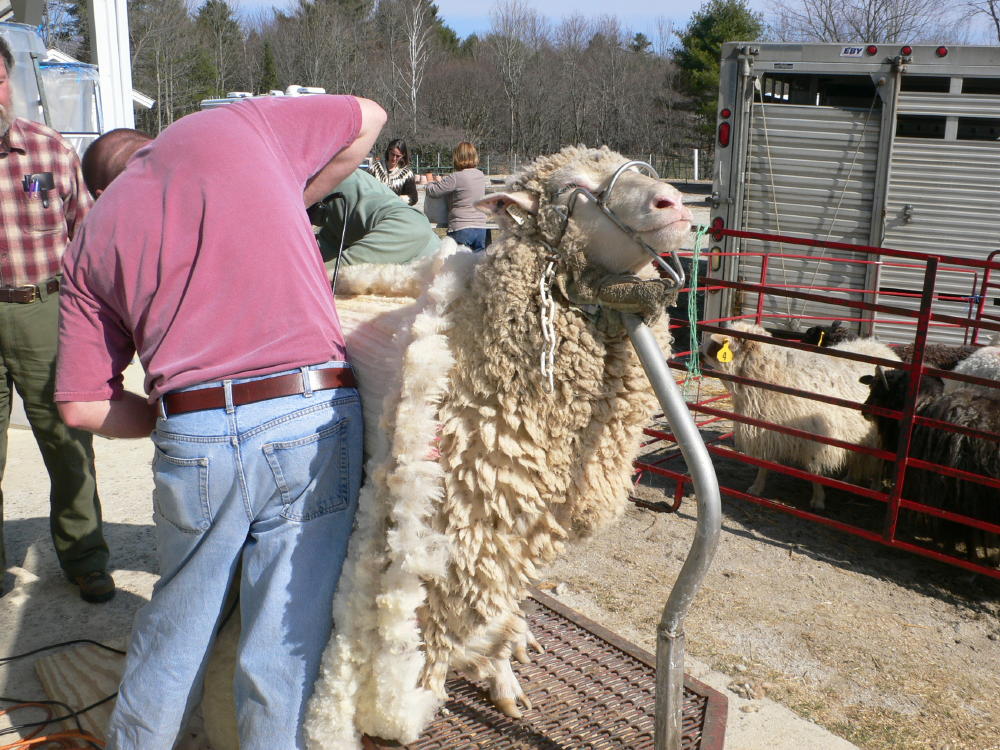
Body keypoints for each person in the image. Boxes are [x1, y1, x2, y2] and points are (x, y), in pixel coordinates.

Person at [54, 93, 386, 749]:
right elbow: (368, 118)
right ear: (150, 141)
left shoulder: (91, 237)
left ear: (96, 190)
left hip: (196, 428)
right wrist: (291, 192)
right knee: (285, 641)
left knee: (177, 623)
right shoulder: (233, 126)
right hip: (309, 412)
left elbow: (82, 406)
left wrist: (159, 415)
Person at [0, 36, 113, 603]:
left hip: (42, 309)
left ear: (9, 81)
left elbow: (86, 242)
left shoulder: (49, 152)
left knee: (68, 439)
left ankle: (85, 556)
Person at [309, 167, 439, 269]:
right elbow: (331, 244)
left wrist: (335, 270)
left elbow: (414, 227)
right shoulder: (332, 209)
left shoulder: (343, 187)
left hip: (431, 275)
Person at [425, 141, 489, 251]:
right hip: (481, 228)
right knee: (477, 264)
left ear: (457, 157)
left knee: (456, 265)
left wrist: (430, 181)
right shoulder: (480, 175)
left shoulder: (455, 177)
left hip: (461, 227)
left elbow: (433, 191)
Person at [368, 137, 417, 205]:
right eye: (392, 154)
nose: (394, 158)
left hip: (395, 212)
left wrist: (397, 199)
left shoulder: (407, 174)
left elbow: (413, 198)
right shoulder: (374, 168)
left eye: (398, 156)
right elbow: (365, 190)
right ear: (388, 151)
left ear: (403, 155)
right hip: (376, 210)